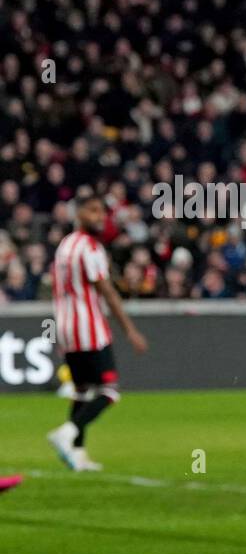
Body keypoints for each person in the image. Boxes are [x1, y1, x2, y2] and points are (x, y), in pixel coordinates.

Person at [46, 196, 149, 472]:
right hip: (88, 328)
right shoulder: (90, 247)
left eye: (103, 211)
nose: (101, 216)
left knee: (82, 391)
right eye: (93, 211)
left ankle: (77, 454)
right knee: (109, 391)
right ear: (78, 213)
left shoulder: (64, 245)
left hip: (65, 326)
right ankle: (68, 432)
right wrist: (130, 330)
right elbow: (108, 292)